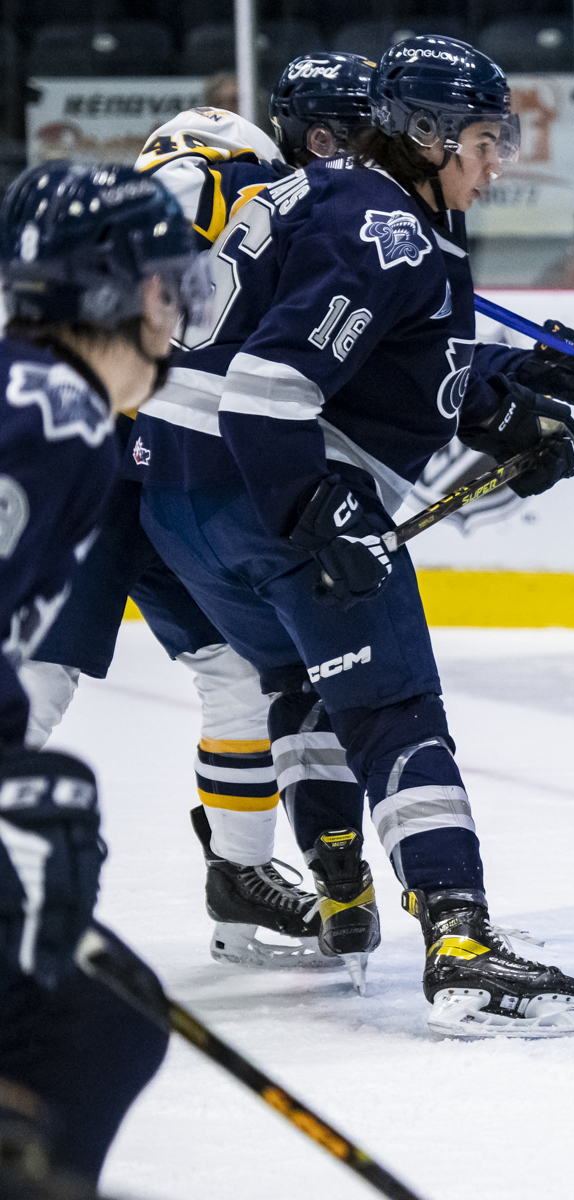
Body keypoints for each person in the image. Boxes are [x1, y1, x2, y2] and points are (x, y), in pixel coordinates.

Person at [132, 36, 574, 1035]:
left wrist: (534, 401)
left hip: (180, 501)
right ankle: (459, 941)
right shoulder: (387, 227)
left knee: (302, 688)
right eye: (487, 140)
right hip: (258, 483)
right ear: (425, 131)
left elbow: (390, 370)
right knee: (397, 708)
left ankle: (340, 891)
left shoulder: (333, 199)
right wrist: (313, 513)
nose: (499, 163)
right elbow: (271, 388)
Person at [20, 55, 384, 980]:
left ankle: (241, 882)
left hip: (153, 465)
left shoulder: (206, 182)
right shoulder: (218, 172)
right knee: (64, 669)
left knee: (233, 674)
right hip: (127, 467)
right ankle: (237, 871)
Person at [0, 161, 203, 1190]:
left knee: (104, 1012)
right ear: (114, 293)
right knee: (91, 1021)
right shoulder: (51, 414)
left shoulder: (46, 406)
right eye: (170, 285)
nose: (179, 314)